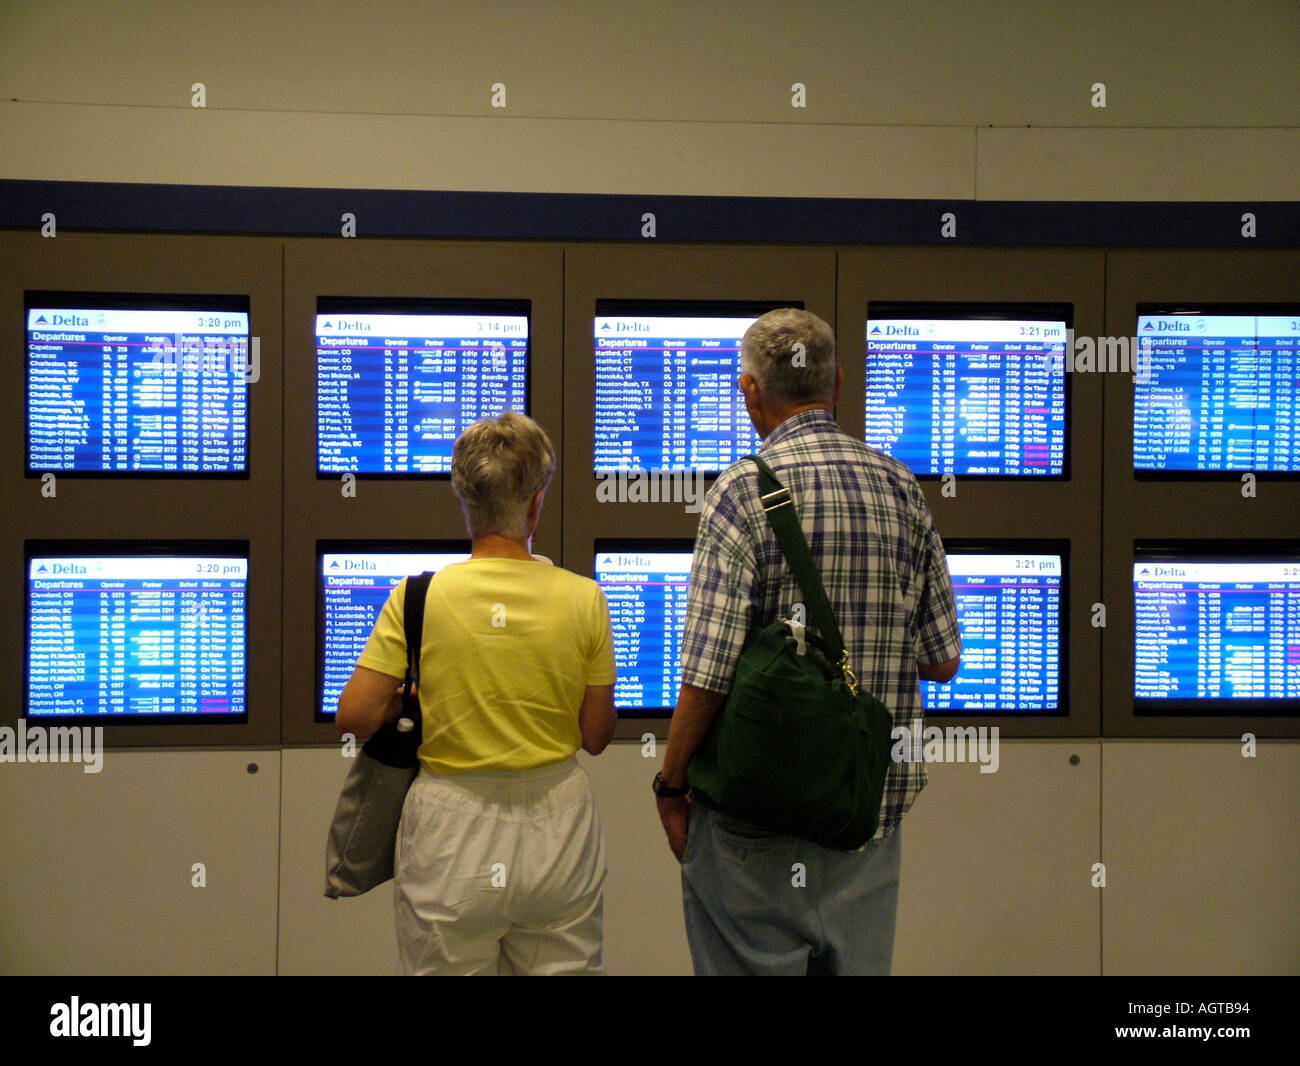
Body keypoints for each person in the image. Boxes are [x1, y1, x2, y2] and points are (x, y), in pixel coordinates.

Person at [654, 308, 961, 976]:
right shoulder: (900, 488)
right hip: (863, 820)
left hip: (752, 831)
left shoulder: (739, 494)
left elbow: (707, 675)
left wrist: (670, 783)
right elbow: (942, 660)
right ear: (839, 383)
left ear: (751, 393)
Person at [336, 412, 617, 975]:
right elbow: (595, 736)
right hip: (557, 827)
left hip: (450, 832)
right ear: (536, 503)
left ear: (464, 500)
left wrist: (404, 702)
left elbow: (355, 717)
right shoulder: (585, 598)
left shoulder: (418, 597)